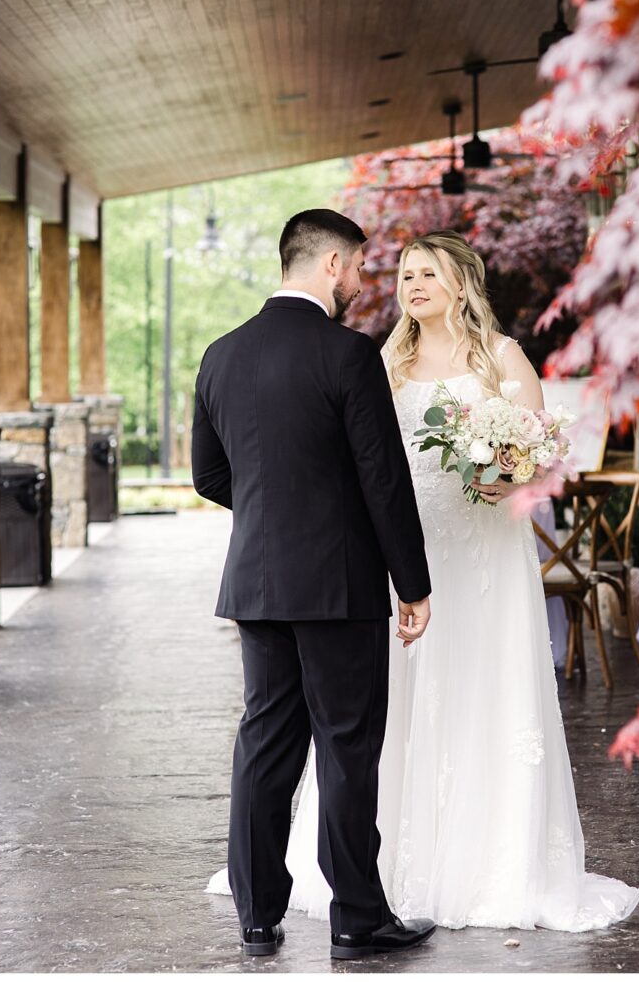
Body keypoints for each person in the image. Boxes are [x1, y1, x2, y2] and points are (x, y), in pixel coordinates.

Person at [212, 229, 639, 931]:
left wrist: (514, 476)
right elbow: (365, 461)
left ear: (462, 284)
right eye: (406, 275)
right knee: (383, 714)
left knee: (481, 690)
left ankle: (485, 865)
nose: (412, 287)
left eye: (428, 275)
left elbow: (542, 455)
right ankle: (378, 872)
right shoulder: (383, 358)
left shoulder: (503, 357)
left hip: (482, 551)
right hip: (400, 553)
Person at [192, 208, 436, 961]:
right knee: (345, 747)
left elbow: (210, 477)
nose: (363, 281)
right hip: (339, 588)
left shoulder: (220, 354)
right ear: (332, 265)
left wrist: (276, 512)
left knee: (264, 746)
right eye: (360, 266)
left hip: (258, 586)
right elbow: (383, 482)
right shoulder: (348, 354)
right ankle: (358, 917)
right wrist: (413, 583)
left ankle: (258, 918)